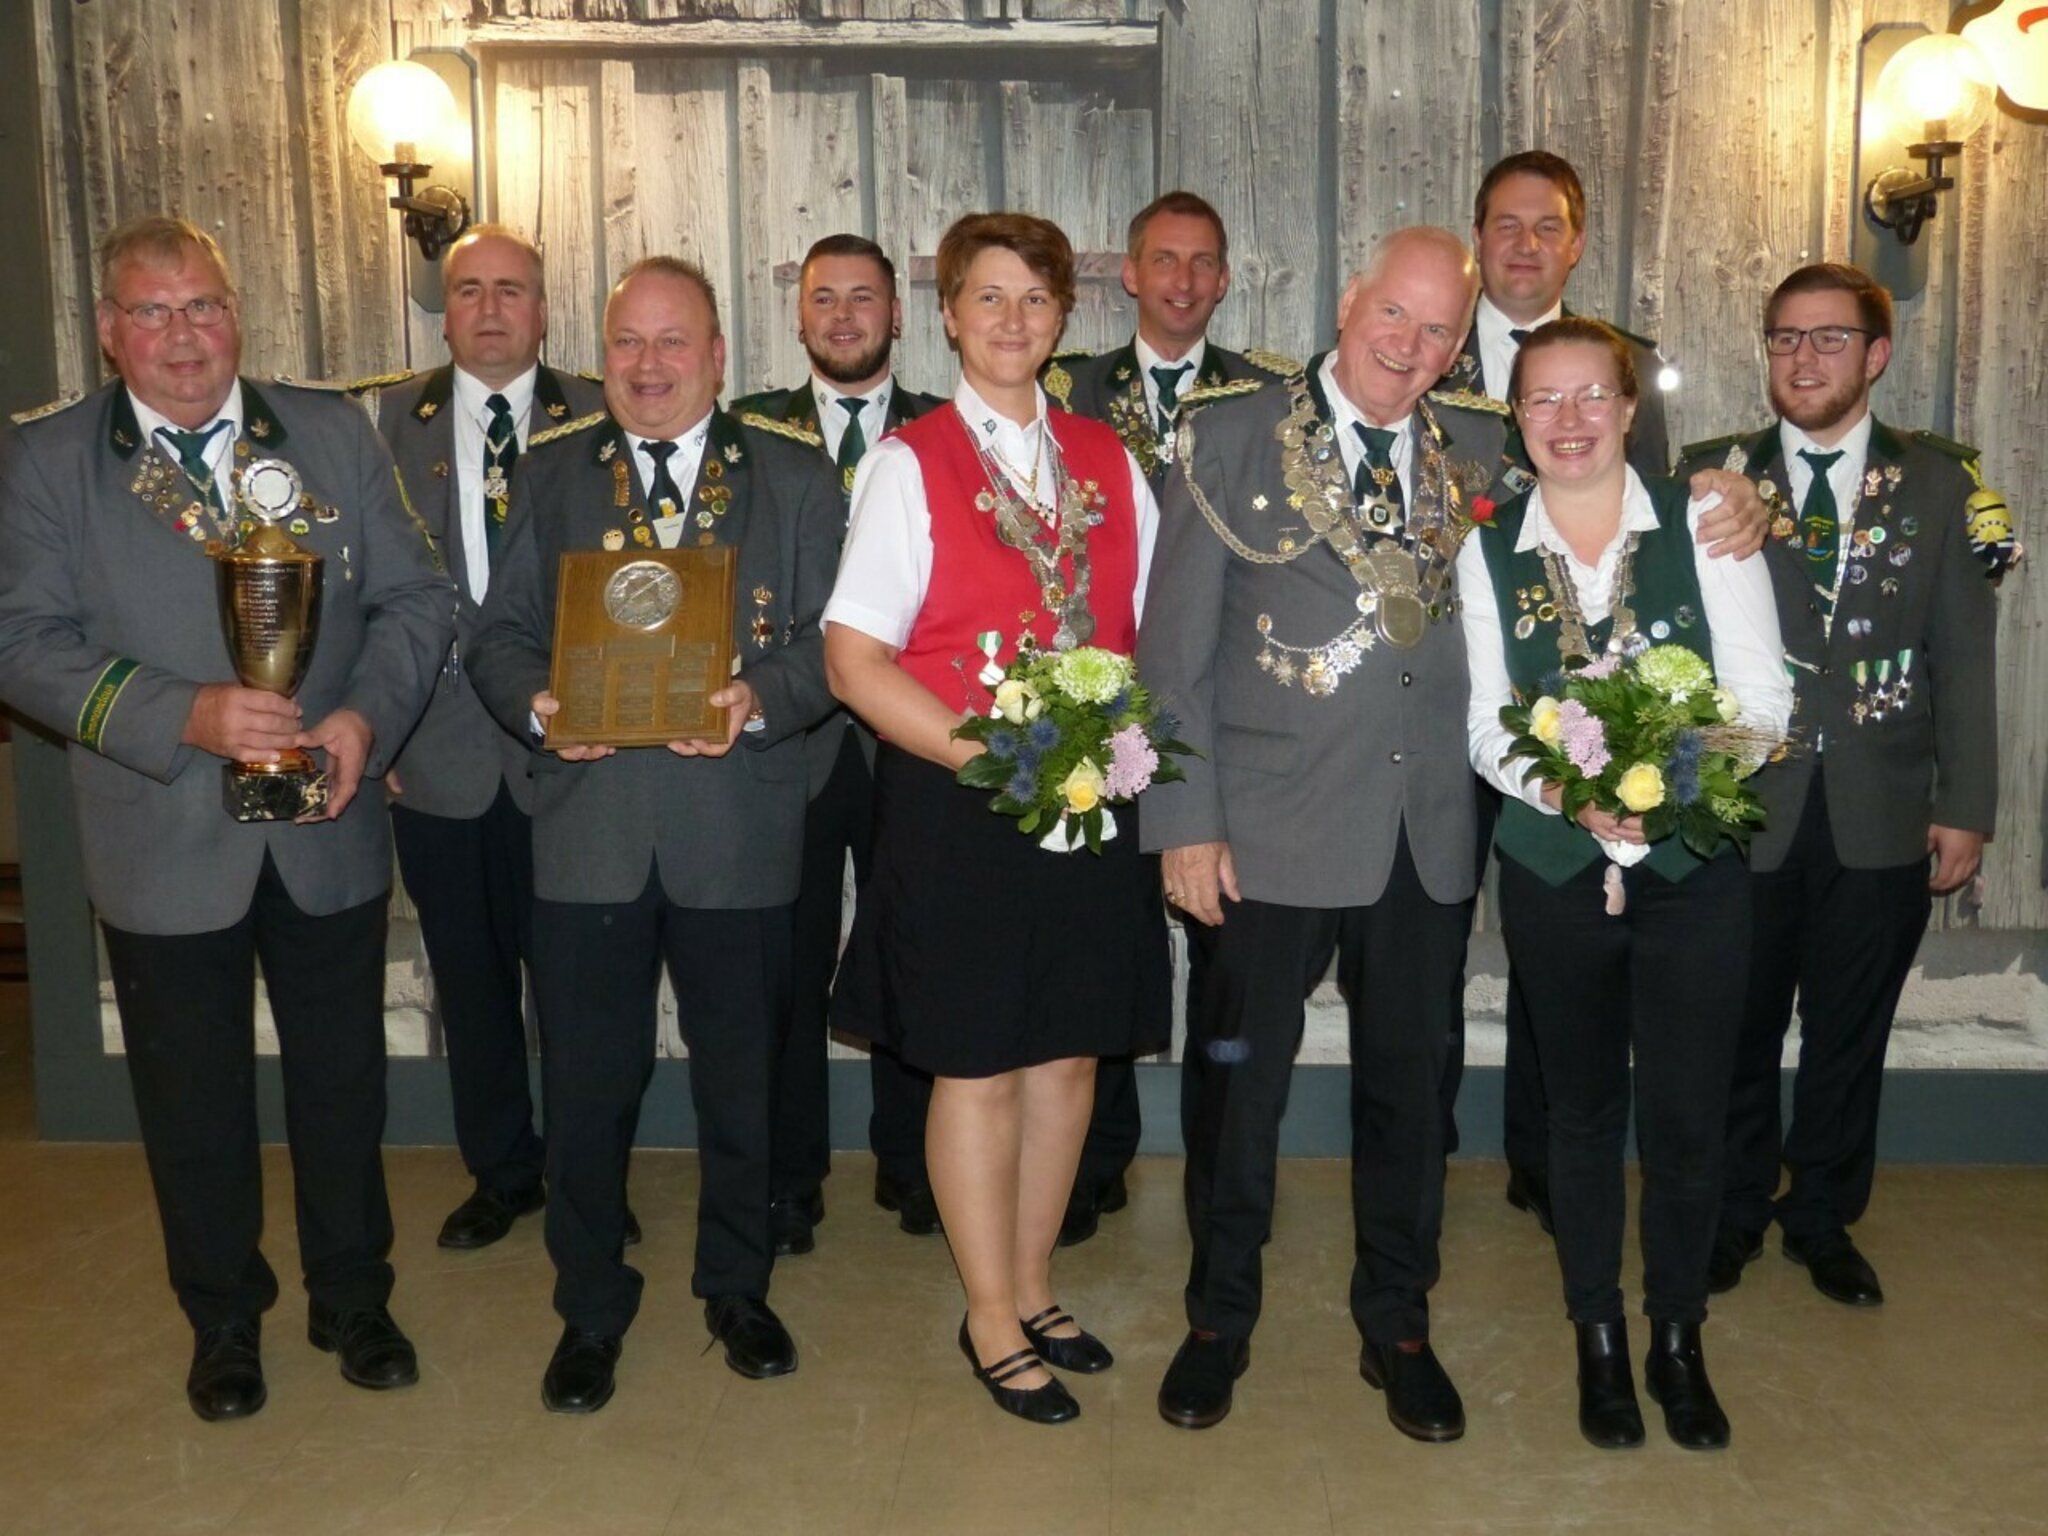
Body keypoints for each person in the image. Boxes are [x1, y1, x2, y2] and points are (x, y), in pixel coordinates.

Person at [0, 215, 454, 1421]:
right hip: (163, 837)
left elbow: (414, 602)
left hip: (327, 821)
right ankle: (222, 1323)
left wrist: (367, 719)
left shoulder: (326, 432)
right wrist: (179, 714)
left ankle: (354, 1298)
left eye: (201, 305)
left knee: (342, 1084)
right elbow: (22, 646)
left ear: (235, 313)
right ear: (110, 332)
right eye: (150, 312)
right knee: (192, 1102)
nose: (181, 334)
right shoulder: (50, 462)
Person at [1140, 227, 1518, 1442]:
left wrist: (1729, 499)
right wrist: (1183, 821)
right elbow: (1172, 656)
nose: (1407, 349)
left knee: (1413, 1093)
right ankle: (1216, 1319)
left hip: (1423, 833)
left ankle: (1397, 1324)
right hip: (1263, 829)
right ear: (1347, 301)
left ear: (1459, 345)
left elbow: (1602, 514)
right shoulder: (1230, 435)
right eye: (1391, 318)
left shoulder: (1483, 451)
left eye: (1435, 332)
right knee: (1236, 1089)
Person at [468, 256, 842, 1414]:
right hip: (588, 831)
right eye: (626, 341)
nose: (646, 365)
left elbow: (836, 643)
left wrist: (757, 700)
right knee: (586, 1088)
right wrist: (539, 706)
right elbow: (498, 638)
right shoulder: (549, 474)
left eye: (672, 342)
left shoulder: (790, 476)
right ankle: (589, 1307)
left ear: (719, 356)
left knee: (742, 1082)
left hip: (737, 828)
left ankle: (738, 1285)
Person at [823, 212, 1169, 1425]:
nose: (1012, 319)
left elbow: (1154, 631)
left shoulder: (1107, 457)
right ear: (949, 315)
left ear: (1063, 317)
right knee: (975, 1065)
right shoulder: (907, 462)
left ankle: (1032, 1284)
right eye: (988, 297)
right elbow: (854, 661)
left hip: (1089, 800)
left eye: (1035, 298)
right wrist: (985, 753)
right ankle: (983, 1313)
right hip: (961, 802)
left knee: (1067, 1050)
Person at [1459, 317, 1791, 1451]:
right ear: (1514, 419)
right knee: (1582, 1115)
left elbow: (1762, 697)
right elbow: (1482, 723)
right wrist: (1566, 795)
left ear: (1627, 406)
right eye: (1540, 401)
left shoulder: (1703, 520)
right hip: (1553, 869)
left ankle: (1675, 1338)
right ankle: (1596, 1336)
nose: (1566, 420)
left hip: (1693, 866)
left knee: (1689, 1115)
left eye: (1588, 396)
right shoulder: (1485, 542)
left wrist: (1668, 783)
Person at [1686, 263, 1998, 1309]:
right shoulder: (1706, 473)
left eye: (1826, 339)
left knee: (1847, 1029)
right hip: (1743, 803)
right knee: (1731, 1021)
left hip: (1879, 803)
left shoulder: (1938, 482)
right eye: (1782, 338)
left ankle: (1819, 1215)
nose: (1801, 358)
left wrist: (1965, 804)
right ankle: (1729, 1210)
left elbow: (1961, 654)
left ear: (1875, 355)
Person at [1038, 191, 1289, 1248]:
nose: (1182, 280)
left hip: (1224, 712)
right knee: (1102, 940)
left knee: (1224, 953)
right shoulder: (1063, 391)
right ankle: (1096, 1159)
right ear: (1126, 276)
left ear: (1223, 280)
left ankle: (1217, 1168)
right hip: (1094, 702)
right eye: (1161, 260)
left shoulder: (1278, 398)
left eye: (1201, 263)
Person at [358, 225, 613, 1253]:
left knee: (582, 986)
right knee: (468, 982)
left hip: (576, 755)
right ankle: (502, 1170)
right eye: (470, 290)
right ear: (446, 308)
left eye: (513, 289)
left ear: (544, 310)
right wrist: (372, 729)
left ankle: (589, 1175)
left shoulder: (596, 413)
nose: (492, 308)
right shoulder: (383, 423)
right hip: (439, 754)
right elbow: (357, 590)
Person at [1445, 150, 1672, 1232]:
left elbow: (1661, 521)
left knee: (1572, 932)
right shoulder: (1425, 366)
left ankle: (1550, 1163)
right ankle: (1428, 1156)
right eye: (1504, 225)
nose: (1524, 244)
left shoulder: (1628, 368)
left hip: (1591, 727)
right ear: (1476, 241)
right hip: (1448, 705)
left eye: (1547, 226)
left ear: (1573, 243)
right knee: (1437, 946)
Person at [731, 233, 946, 1256]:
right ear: (800, 315)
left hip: (913, 738)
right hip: (793, 743)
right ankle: (788, 1177)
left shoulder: (948, 431)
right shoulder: (743, 434)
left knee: (916, 953)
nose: (846, 317)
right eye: (825, 299)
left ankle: (914, 1164)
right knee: (785, 966)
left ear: (898, 315)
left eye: (866, 298)